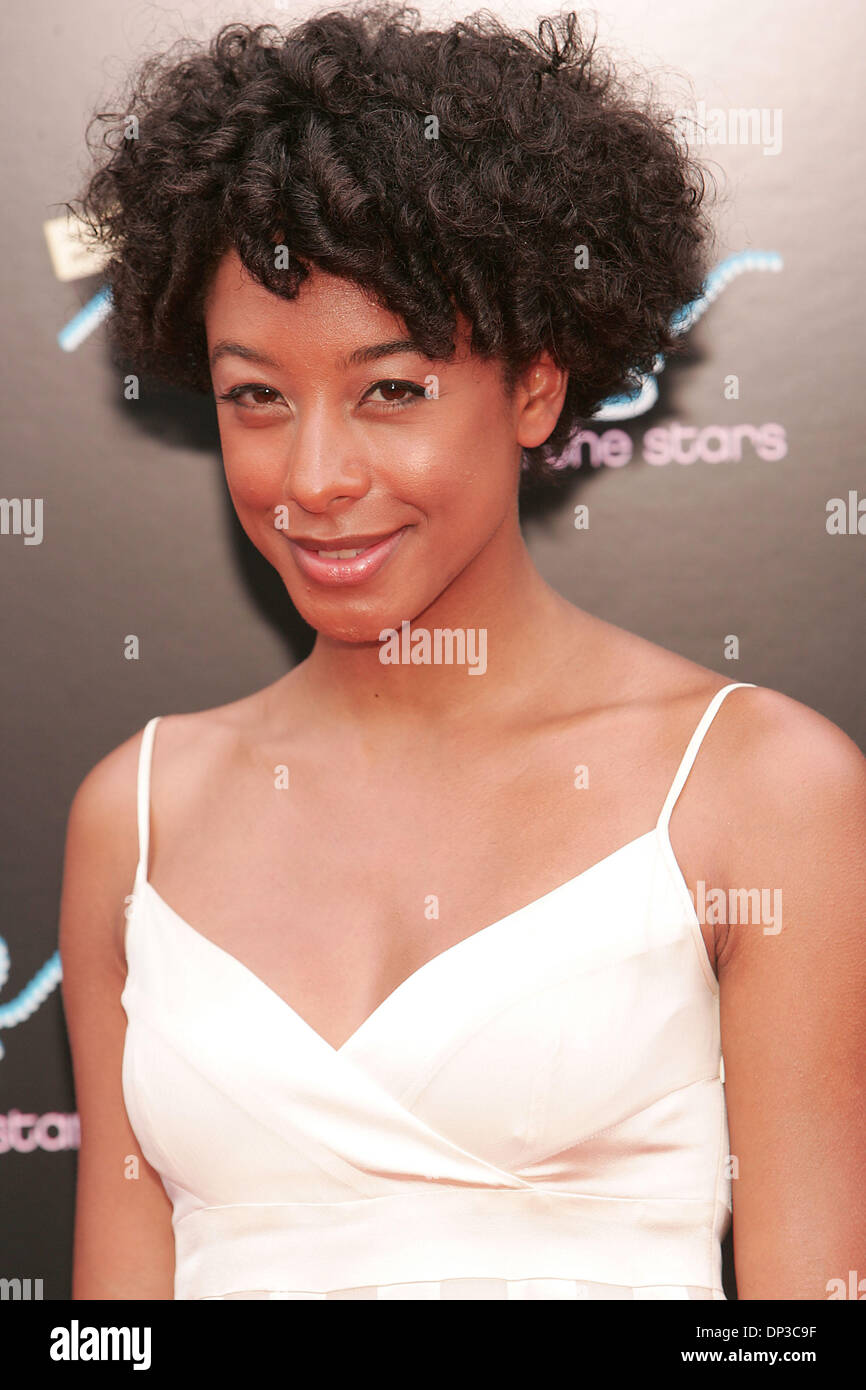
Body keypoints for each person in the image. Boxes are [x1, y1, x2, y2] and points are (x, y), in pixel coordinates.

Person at [59, 2, 866, 1300]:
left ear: (535, 387)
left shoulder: (758, 786)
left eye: (391, 389)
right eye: (257, 395)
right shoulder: (138, 812)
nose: (313, 477)